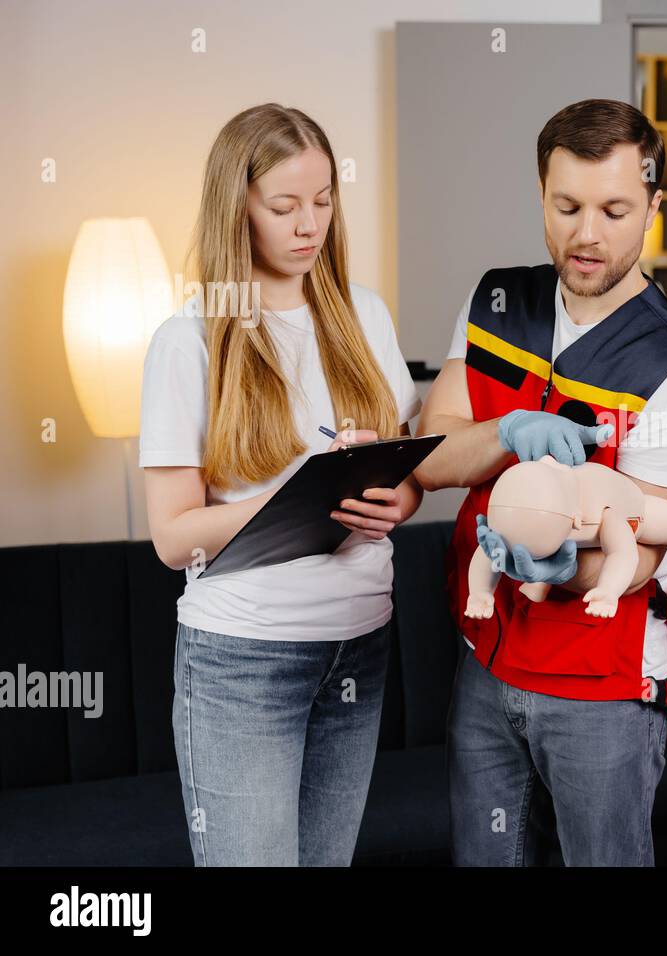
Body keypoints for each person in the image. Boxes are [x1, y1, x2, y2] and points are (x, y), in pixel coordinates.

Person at [413, 99, 667, 866]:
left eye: (616, 209)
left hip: (600, 686)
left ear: (654, 206)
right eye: (568, 206)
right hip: (484, 659)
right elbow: (428, 455)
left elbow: (646, 556)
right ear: (542, 197)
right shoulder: (496, 303)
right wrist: (504, 432)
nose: (588, 234)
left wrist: (555, 566)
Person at [139, 103, 424, 865]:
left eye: (325, 201)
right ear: (238, 208)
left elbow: (407, 471)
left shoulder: (364, 313)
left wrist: (397, 496)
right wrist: (297, 492)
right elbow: (172, 536)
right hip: (243, 657)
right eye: (285, 206)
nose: (310, 225)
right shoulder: (189, 339)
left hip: (359, 642)